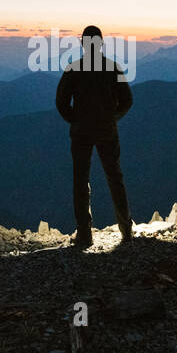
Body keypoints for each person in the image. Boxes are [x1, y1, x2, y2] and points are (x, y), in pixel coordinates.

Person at [55, 25, 134, 249]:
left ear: (82, 44)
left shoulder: (73, 69)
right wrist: (112, 117)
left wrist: (75, 120)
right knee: (114, 177)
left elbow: (61, 102)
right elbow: (127, 99)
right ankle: (126, 231)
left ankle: (84, 234)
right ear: (100, 44)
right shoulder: (112, 68)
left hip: (81, 132)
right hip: (107, 130)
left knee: (81, 180)